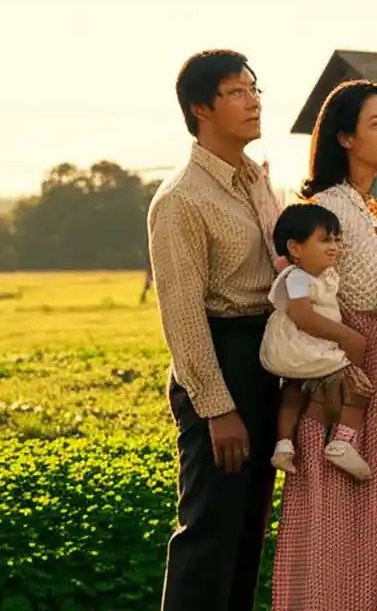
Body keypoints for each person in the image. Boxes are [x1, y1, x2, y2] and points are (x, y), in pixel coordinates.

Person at [146, 49, 283, 611]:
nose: (252, 101)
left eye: (255, 89)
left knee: (249, 532)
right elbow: (181, 314)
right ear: (201, 108)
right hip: (220, 365)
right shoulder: (182, 199)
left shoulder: (258, 183)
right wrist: (218, 408)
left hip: (264, 361)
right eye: (236, 92)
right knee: (209, 531)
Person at [271, 79, 377, 611]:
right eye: (376, 124)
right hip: (338, 362)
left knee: (364, 498)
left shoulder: (364, 206)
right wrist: (344, 348)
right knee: (333, 500)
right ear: (345, 138)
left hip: (371, 354)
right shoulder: (329, 208)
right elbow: (304, 295)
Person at [261, 202, 374, 480]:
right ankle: (341, 442)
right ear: (295, 248)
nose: (333, 246)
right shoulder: (298, 277)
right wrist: (345, 337)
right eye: (324, 240)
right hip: (303, 344)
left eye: (336, 239)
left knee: (293, 391)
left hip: (294, 349)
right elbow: (302, 315)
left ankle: (284, 444)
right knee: (357, 389)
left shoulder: (315, 275)